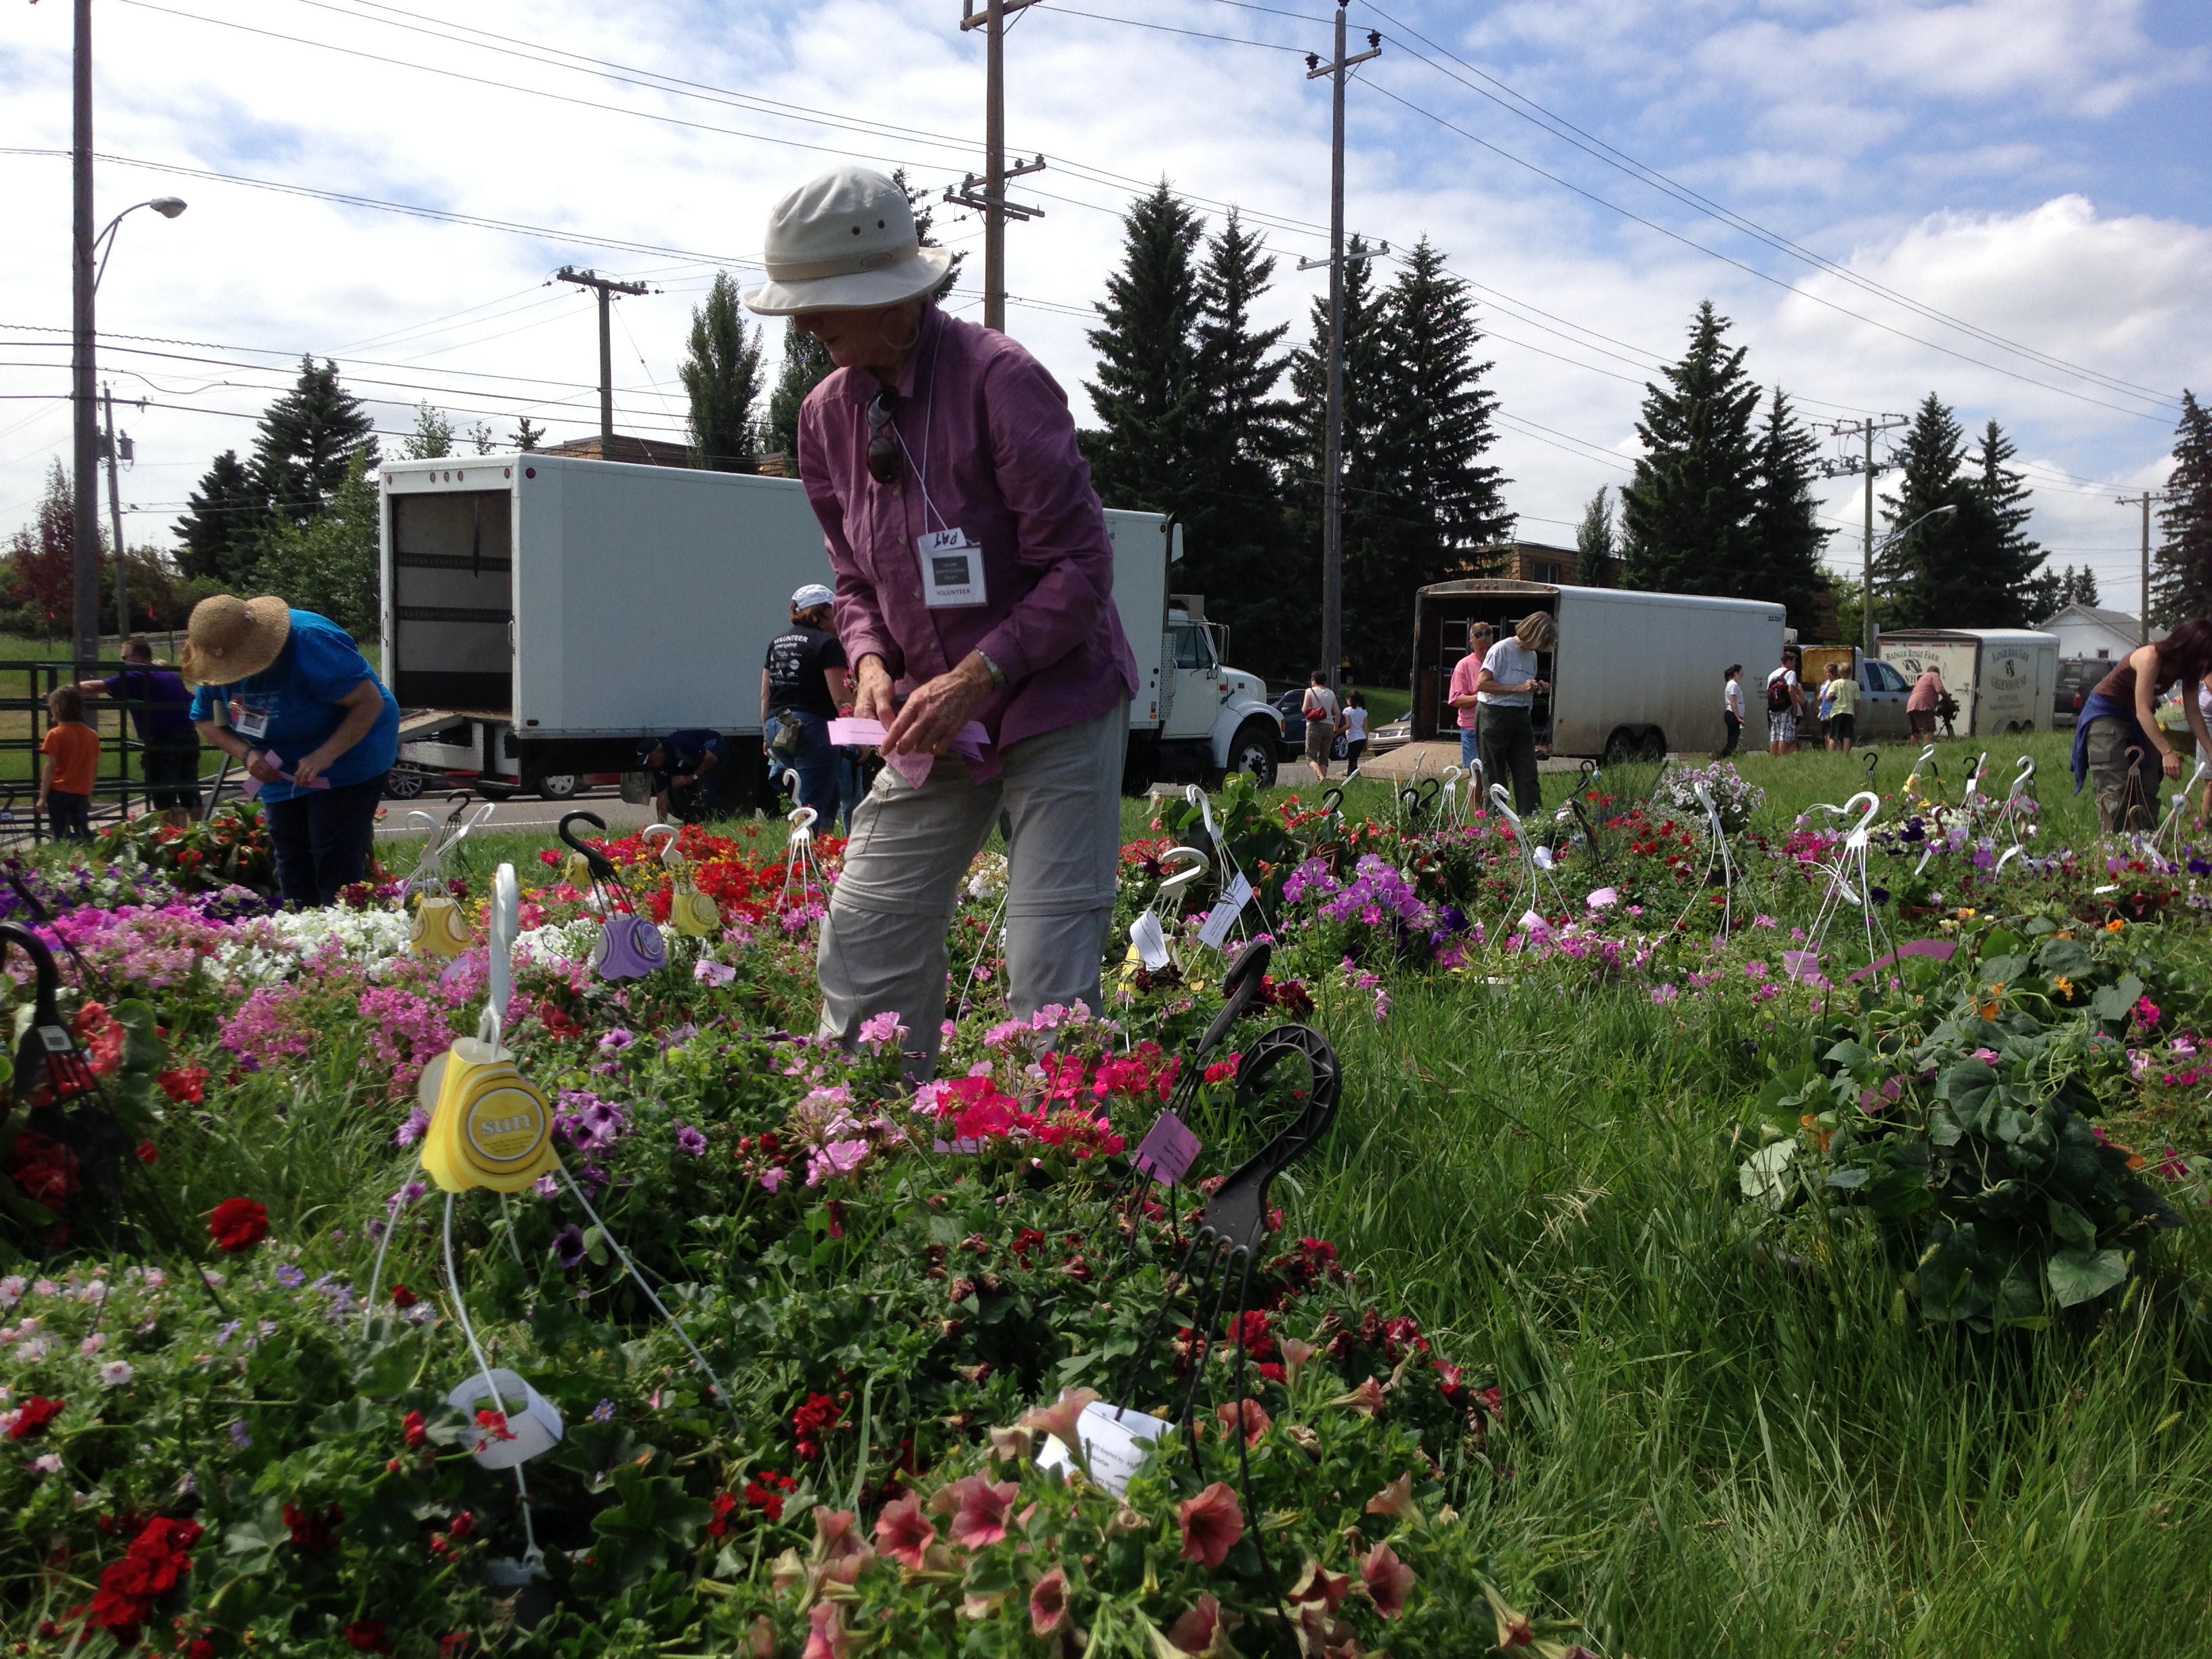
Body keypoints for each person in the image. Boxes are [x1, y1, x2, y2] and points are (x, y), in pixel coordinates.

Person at [744, 164, 1139, 1076]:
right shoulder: (825, 418)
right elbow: (852, 578)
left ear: (890, 299)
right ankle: (880, 1128)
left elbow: (1079, 568)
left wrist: (977, 674)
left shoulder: (1001, 381)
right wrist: (870, 662)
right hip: (933, 719)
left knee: (1048, 969)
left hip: (1054, 702)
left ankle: (1050, 1145)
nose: (802, 328)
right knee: (865, 932)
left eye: (817, 306)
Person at [184, 594, 400, 908]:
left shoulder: (309, 641)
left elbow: (369, 702)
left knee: (334, 851)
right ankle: (300, 928)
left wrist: (325, 754)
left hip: (350, 749)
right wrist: (247, 754)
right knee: (289, 852)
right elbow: (205, 719)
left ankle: (344, 930)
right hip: (278, 762)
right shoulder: (215, 660)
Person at [2072, 621, 2212, 834]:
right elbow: (2144, 711)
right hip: (2106, 715)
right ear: (2192, 648)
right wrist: (2167, 752)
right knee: (2115, 786)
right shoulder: (2151, 657)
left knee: (2148, 779)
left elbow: (2193, 712)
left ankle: (2145, 841)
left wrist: (2210, 750)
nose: (2207, 665)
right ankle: (2115, 843)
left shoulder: (2189, 669)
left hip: (2134, 718)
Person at [762, 583, 853, 827]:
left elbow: (765, 694)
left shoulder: (777, 642)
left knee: (828, 791)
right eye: (834, 609)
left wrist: (765, 734)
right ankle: (802, 848)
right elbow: (841, 699)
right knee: (811, 805)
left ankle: (825, 846)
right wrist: (858, 735)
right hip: (811, 728)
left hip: (776, 725)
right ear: (822, 611)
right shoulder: (828, 643)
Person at [78, 636, 201, 817]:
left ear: (137, 657)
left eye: (124, 657)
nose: (122, 662)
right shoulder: (170, 675)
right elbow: (191, 699)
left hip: (162, 742)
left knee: (162, 797)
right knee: (190, 792)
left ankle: (169, 833)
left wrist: (62, 693)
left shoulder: (137, 675)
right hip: (189, 737)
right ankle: (200, 829)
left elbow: (93, 687)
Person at [1477, 613, 1553, 816]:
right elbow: (1482, 684)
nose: (1539, 648)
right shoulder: (1501, 649)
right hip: (1494, 715)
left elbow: (1524, 682)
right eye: (1539, 642)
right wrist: (1518, 688)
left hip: (1521, 715)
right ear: (1532, 633)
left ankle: (1532, 820)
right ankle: (1496, 823)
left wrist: (1538, 686)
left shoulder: (1532, 655)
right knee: (1494, 773)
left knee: (1527, 772)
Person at [37, 684, 100, 842]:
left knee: (60, 835)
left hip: (59, 791)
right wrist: (88, 794)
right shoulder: (92, 735)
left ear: (57, 710)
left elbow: (50, 767)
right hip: (81, 791)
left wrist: (42, 797)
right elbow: (93, 768)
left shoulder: (55, 734)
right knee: (82, 832)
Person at [638, 729, 731, 822]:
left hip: (714, 747)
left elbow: (711, 758)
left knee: (704, 782)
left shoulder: (679, 745)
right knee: (678, 785)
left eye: (650, 761)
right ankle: (692, 820)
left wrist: (692, 777)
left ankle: (715, 819)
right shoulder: (658, 768)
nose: (650, 765)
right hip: (694, 760)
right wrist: (661, 825)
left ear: (659, 753)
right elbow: (662, 798)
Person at [1446, 623, 1495, 771]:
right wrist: (1484, 696)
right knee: (1476, 773)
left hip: (1497, 725)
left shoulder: (1500, 661)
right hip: (1472, 728)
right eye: (1481, 648)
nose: (1486, 652)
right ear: (1471, 644)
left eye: (1488, 647)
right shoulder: (1464, 665)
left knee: (1499, 772)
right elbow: (1456, 700)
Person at [1300, 671, 1341, 782]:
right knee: (1324, 757)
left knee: (1310, 757)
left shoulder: (1310, 691)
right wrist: (1336, 727)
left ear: (1314, 680)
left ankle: (1321, 777)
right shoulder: (1331, 693)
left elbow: (1305, 709)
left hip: (1314, 726)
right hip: (1329, 726)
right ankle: (1322, 782)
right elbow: (1338, 712)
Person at [1765, 649, 1804, 756]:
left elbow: (1769, 693)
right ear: (1789, 661)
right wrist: (1794, 707)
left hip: (1773, 708)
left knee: (1775, 734)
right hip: (1786, 708)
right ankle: (1782, 757)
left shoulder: (1772, 674)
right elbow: (1791, 690)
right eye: (1794, 662)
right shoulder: (1790, 673)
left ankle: (1773, 757)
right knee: (1784, 734)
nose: (1795, 665)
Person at [1824, 659, 1859, 753]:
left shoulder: (1835, 683)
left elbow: (1828, 697)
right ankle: (1845, 754)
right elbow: (1857, 702)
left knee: (1834, 735)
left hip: (1836, 712)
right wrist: (1855, 714)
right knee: (1847, 735)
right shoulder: (1855, 684)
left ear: (1839, 672)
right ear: (1850, 673)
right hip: (1849, 712)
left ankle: (1831, 753)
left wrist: (1835, 699)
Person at [1906, 665, 1944, 741]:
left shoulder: (1922, 678)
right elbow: (1940, 689)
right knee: (1929, 730)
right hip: (1923, 707)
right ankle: (1928, 747)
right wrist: (1947, 696)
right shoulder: (1934, 675)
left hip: (1911, 706)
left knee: (1915, 732)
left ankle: (1913, 747)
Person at [1342, 690, 1370, 775]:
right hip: (1362, 738)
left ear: (1349, 699)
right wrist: (1366, 743)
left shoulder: (1347, 711)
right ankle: (1355, 775)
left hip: (1353, 739)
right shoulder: (1364, 711)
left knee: (1352, 761)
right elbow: (1366, 728)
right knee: (1354, 760)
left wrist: (1337, 731)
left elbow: (1348, 725)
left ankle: (1352, 776)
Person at [1721, 665, 1744, 756]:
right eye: (1741, 672)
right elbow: (1733, 702)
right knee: (1733, 739)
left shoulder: (1733, 684)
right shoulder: (1733, 685)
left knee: (1733, 738)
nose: (1742, 674)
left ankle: (1727, 756)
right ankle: (1724, 756)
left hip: (1733, 714)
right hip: (1732, 715)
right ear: (1736, 673)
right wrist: (1738, 717)